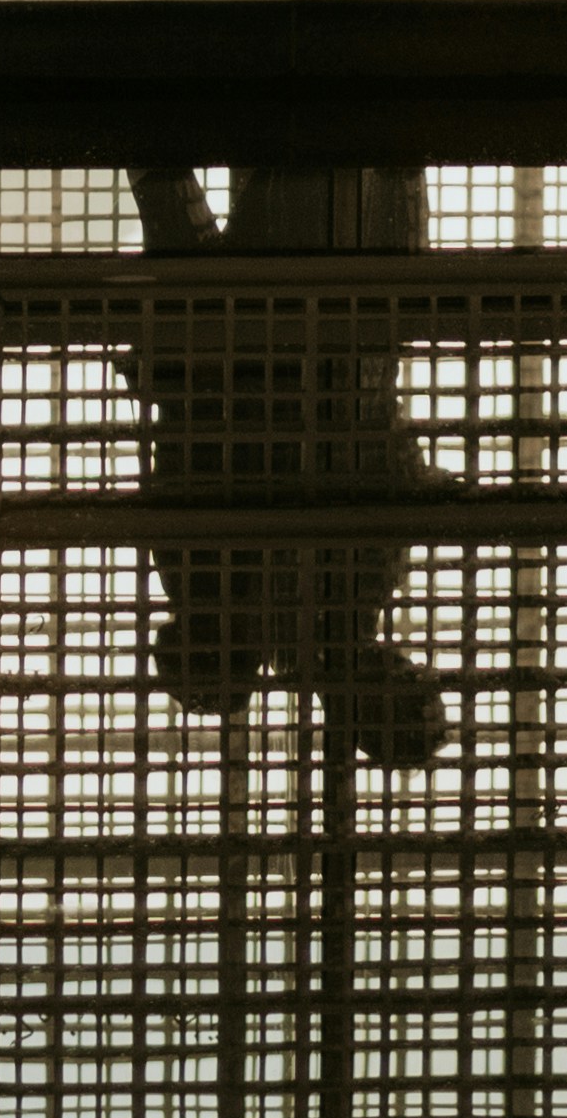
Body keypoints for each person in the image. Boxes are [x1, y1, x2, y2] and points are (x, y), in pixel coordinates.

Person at [125, 144, 446, 768]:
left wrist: (427, 483)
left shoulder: (322, 606)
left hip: (295, 345)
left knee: (317, 155)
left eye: (409, 689)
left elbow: (376, 466)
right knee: (169, 179)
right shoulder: (202, 571)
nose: (410, 668)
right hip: (212, 343)